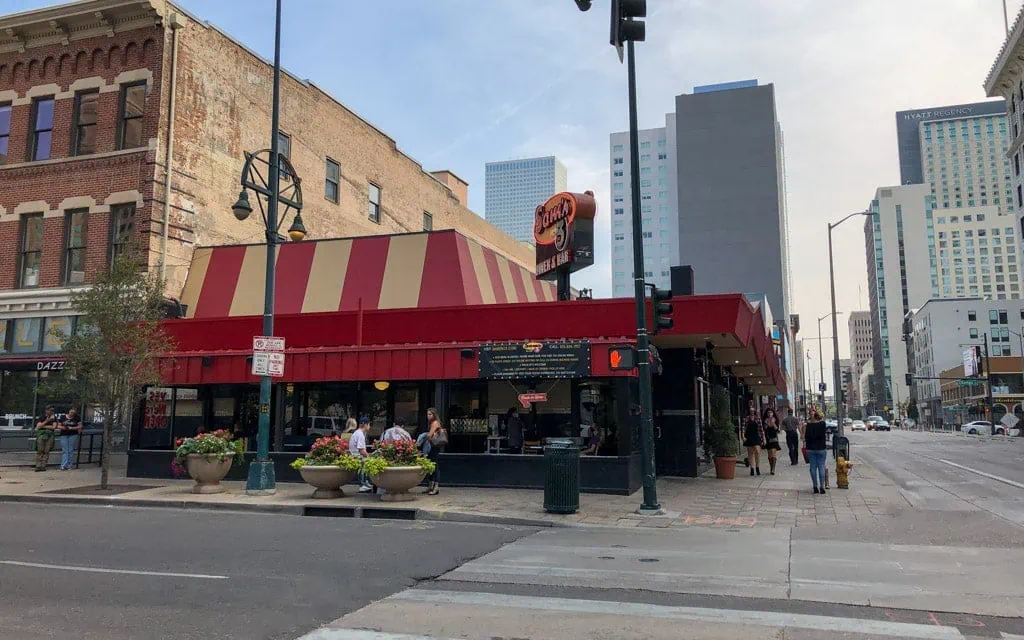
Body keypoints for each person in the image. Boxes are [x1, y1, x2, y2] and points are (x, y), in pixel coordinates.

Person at [802, 409, 829, 494]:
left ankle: (815, 486)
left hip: (810, 449)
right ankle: (822, 486)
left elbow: (804, 436)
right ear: (819, 417)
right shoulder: (822, 424)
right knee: (821, 467)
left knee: (812, 467)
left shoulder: (808, 425)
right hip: (821, 448)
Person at [424, 407, 446, 495]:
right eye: (427, 414)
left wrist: (424, 437)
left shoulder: (435, 423)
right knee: (431, 465)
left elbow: (430, 435)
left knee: (434, 465)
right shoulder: (431, 423)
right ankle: (431, 485)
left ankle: (436, 486)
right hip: (432, 446)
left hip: (434, 446)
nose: (428, 416)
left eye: (430, 414)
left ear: (434, 415)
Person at [349, 416, 372, 492]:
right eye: (369, 424)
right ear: (365, 425)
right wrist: (369, 456)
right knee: (370, 461)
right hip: (358, 457)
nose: (369, 426)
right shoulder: (360, 435)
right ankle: (363, 484)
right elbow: (362, 451)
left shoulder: (357, 433)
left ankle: (365, 483)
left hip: (355, 456)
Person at [34, 406, 58, 472]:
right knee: (40, 451)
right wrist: (46, 421)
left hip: (50, 435)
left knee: (46, 451)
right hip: (41, 434)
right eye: (50, 410)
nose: (51, 412)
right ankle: (38, 466)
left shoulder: (54, 418)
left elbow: (54, 427)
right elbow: (38, 426)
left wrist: (43, 426)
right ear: (46, 410)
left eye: (52, 410)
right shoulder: (41, 417)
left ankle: (43, 466)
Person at [743, 408, 764, 476]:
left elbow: (761, 429)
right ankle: (752, 468)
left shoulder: (758, 419)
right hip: (749, 436)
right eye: (751, 410)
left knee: (757, 451)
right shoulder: (746, 419)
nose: (752, 411)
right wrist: (743, 436)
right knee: (750, 453)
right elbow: (743, 428)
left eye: (753, 410)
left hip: (756, 436)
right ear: (749, 411)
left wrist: (763, 438)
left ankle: (757, 467)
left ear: (754, 411)